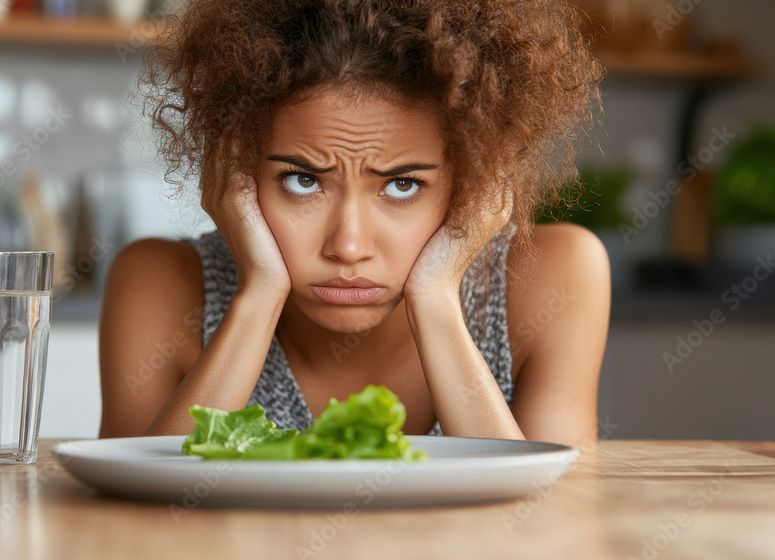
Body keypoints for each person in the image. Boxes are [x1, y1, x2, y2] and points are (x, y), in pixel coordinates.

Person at [98, 0, 610, 448]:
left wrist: (434, 297)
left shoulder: (556, 275)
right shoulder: (160, 283)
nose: (348, 246)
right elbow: (132, 527)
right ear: (235, 171)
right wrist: (258, 296)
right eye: (302, 181)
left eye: (401, 185)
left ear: (472, 181)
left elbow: (548, 524)